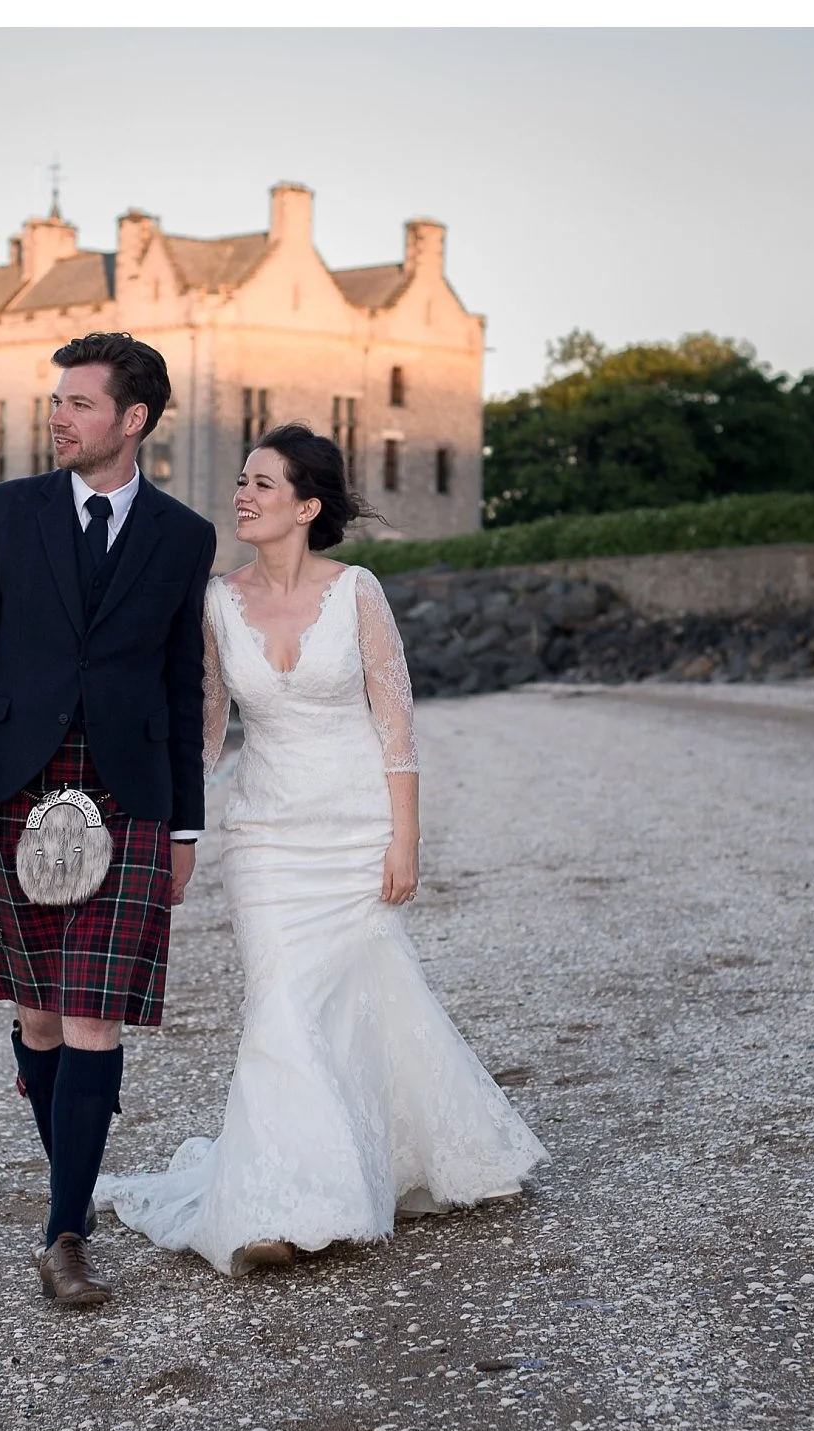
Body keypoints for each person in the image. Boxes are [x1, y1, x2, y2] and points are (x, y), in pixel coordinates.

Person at [96, 424, 547, 1276]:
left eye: (265, 485)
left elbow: (397, 726)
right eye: (242, 481)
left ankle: (373, 1164)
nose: (244, 496)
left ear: (306, 506)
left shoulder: (359, 592)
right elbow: (204, 732)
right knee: (282, 1007)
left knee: (358, 1000)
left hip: (355, 831)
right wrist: (168, 828)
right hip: (265, 835)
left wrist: (405, 839)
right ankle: (280, 1206)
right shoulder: (217, 602)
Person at [0, 332, 218, 1309]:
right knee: (40, 1012)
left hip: (129, 791)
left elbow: (183, 690)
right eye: (56, 402)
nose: (58, 417)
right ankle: (78, 1186)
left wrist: (185, 828)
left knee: (93, 1014)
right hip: (13, 785)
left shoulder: (182, 538)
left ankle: (64, 1235)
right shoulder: (5, 515)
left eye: (80, 404)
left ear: (132, 421)